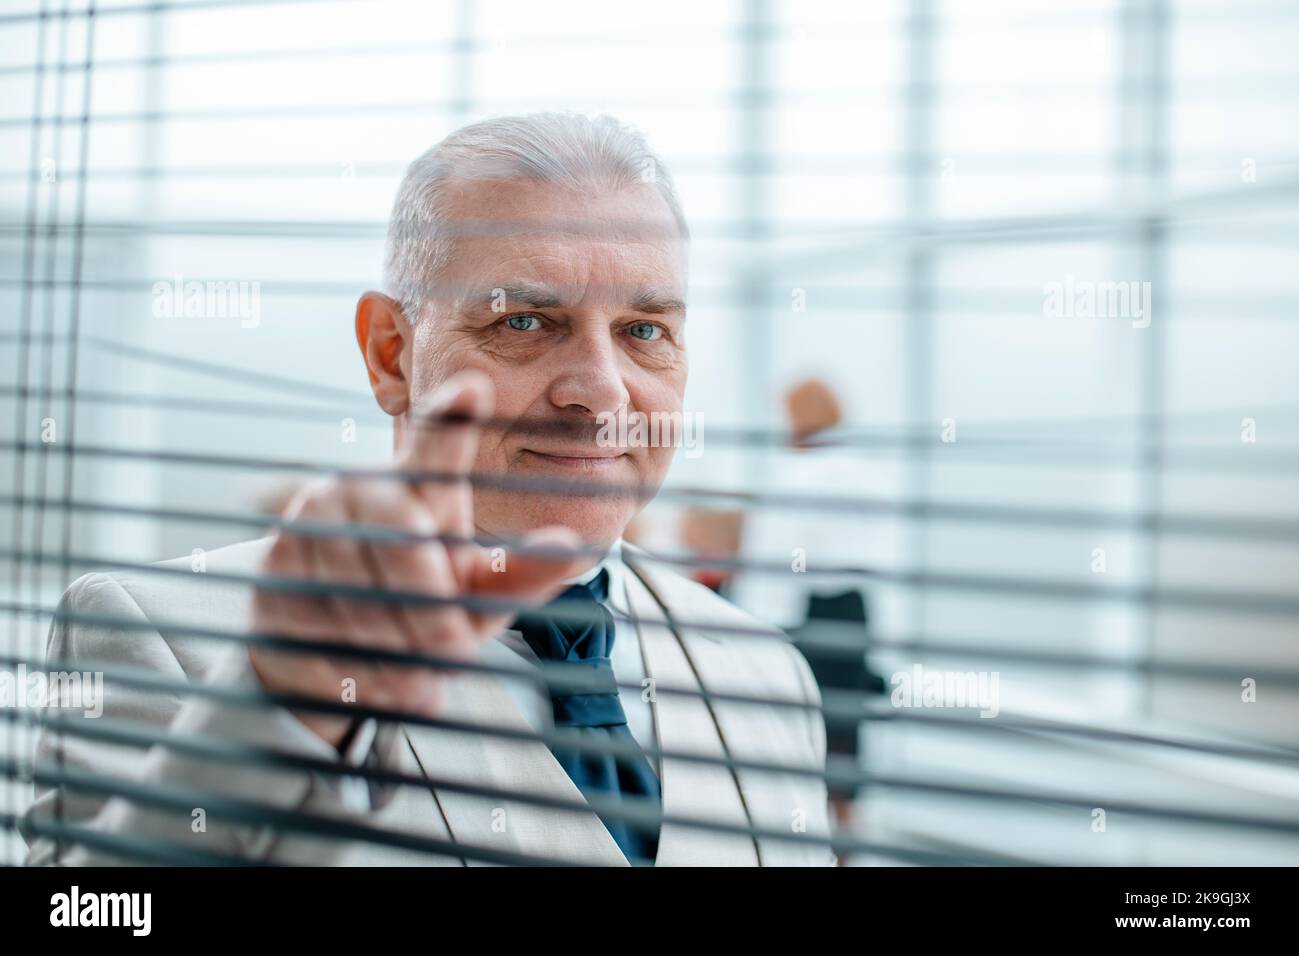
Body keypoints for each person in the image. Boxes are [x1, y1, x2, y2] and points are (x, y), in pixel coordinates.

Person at [23, 113, 833, 866]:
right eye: (524, 322)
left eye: (644, 331)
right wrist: (277, 710)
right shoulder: (167, 637)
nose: (602, 391)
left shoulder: (764, 674)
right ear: (390, 354)